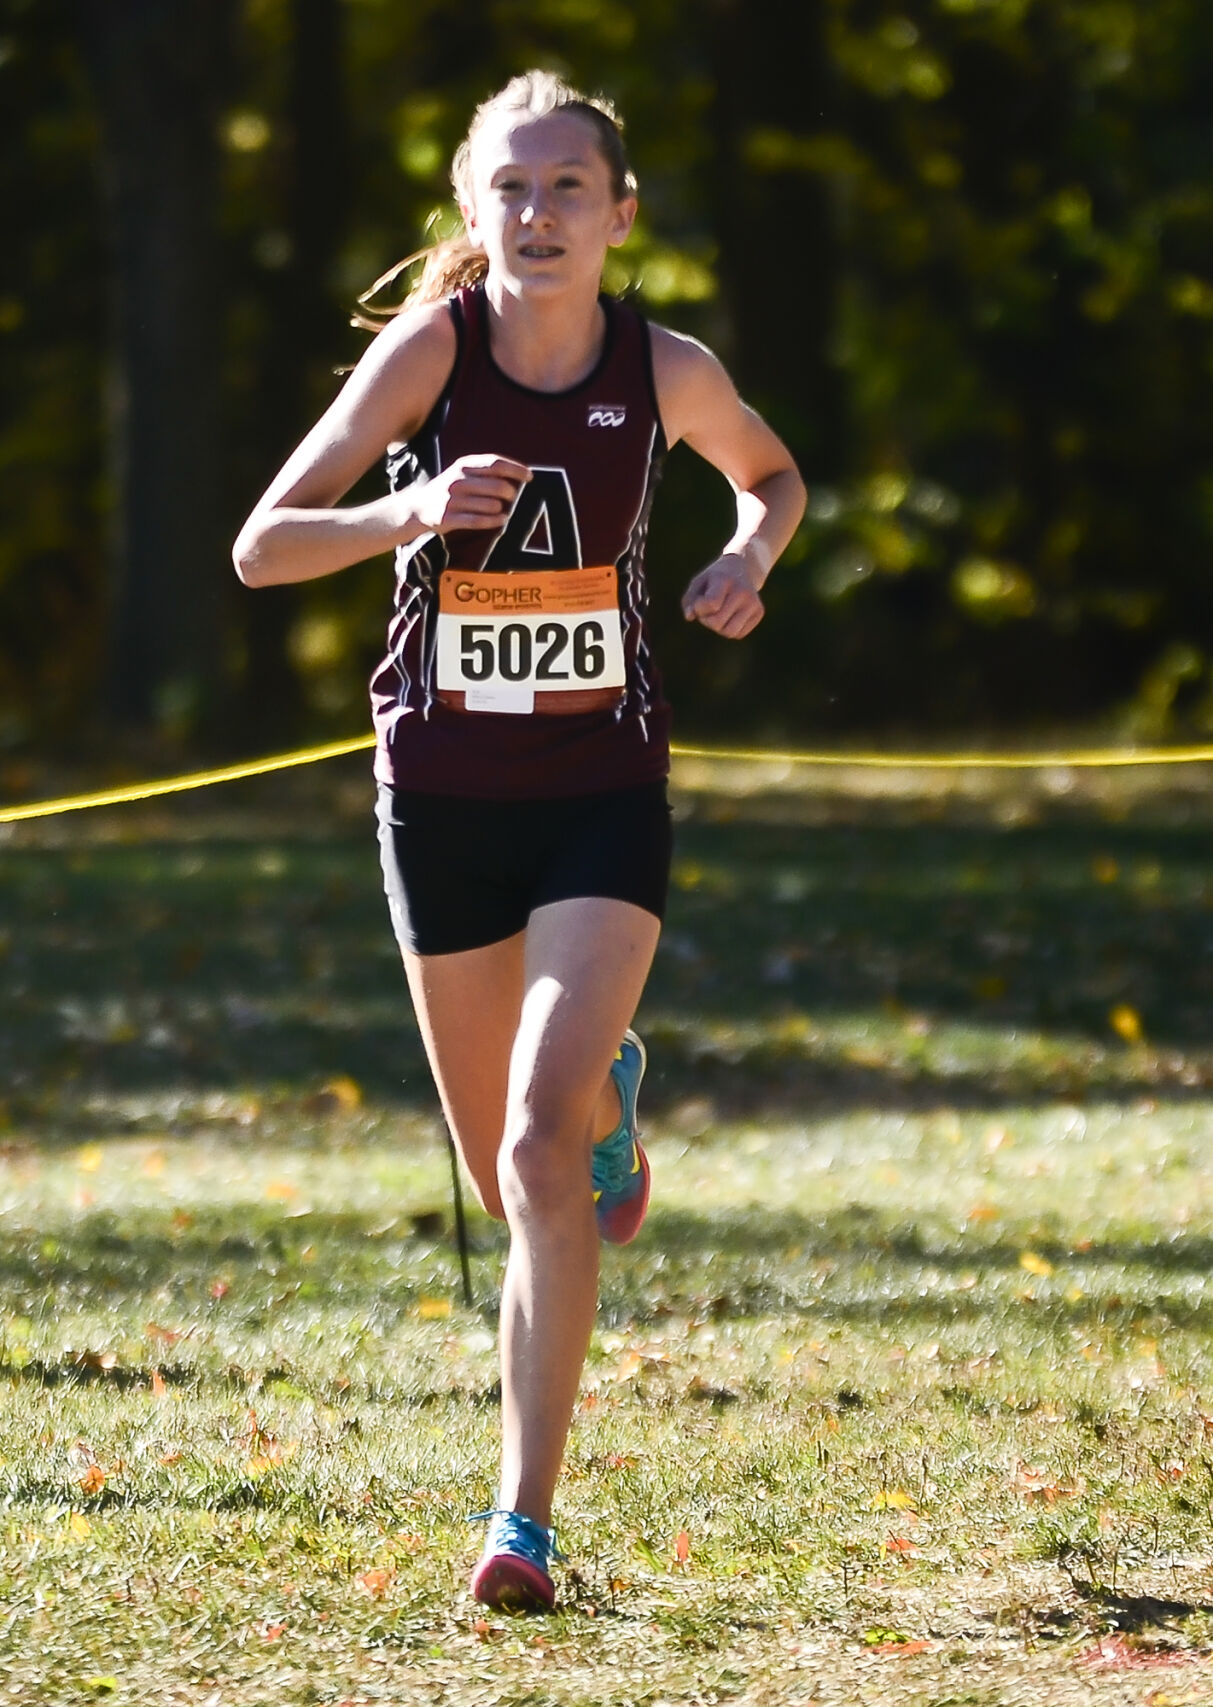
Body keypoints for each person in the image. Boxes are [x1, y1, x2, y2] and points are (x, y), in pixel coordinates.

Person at [232, 69, 806, 1613]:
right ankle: (611, 1089)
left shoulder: (661, 366)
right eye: (511, 188)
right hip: (437, 800)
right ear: (474, 216)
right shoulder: (433, 357)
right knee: (511, 1173)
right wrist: (402, 516)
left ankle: (520, 1522)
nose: (538, 213)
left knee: (536, 1149)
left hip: (600, 791)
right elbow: (262, 544)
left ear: (620, 216)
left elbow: (771, 473)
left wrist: (746, 556)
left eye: (568, 188)